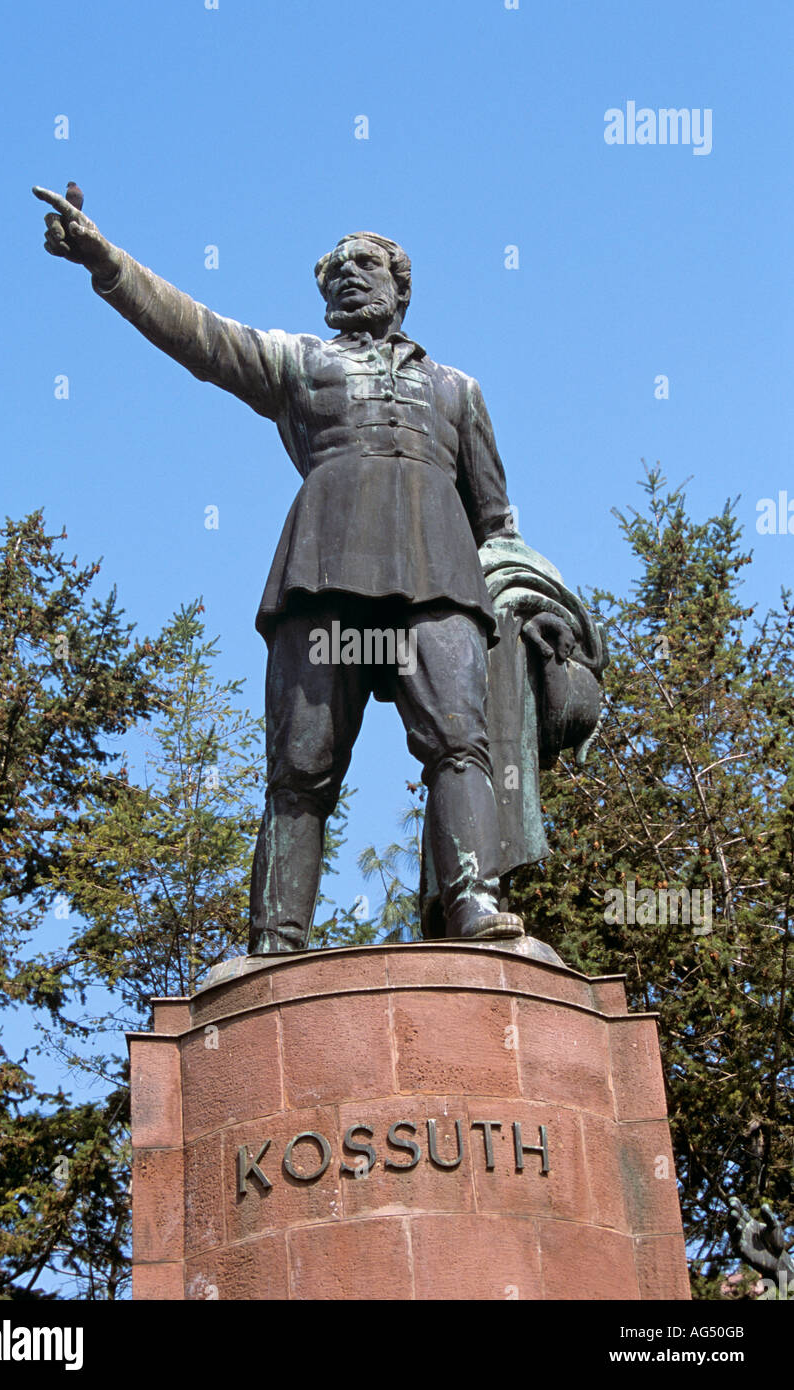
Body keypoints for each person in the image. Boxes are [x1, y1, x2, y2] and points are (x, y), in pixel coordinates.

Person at [34, 187, 576, 953]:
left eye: (364, 264)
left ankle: (473, 905)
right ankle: (276, 943)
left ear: (401, 287)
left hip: (442, 583)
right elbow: (201, 336)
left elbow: (498, 522)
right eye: (334, 272)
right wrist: (106, 260)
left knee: (460, 745)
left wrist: (535, 601)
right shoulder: (299, 364)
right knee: (301, 769)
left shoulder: (459, 391)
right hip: (323, 576)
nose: (347, 277)